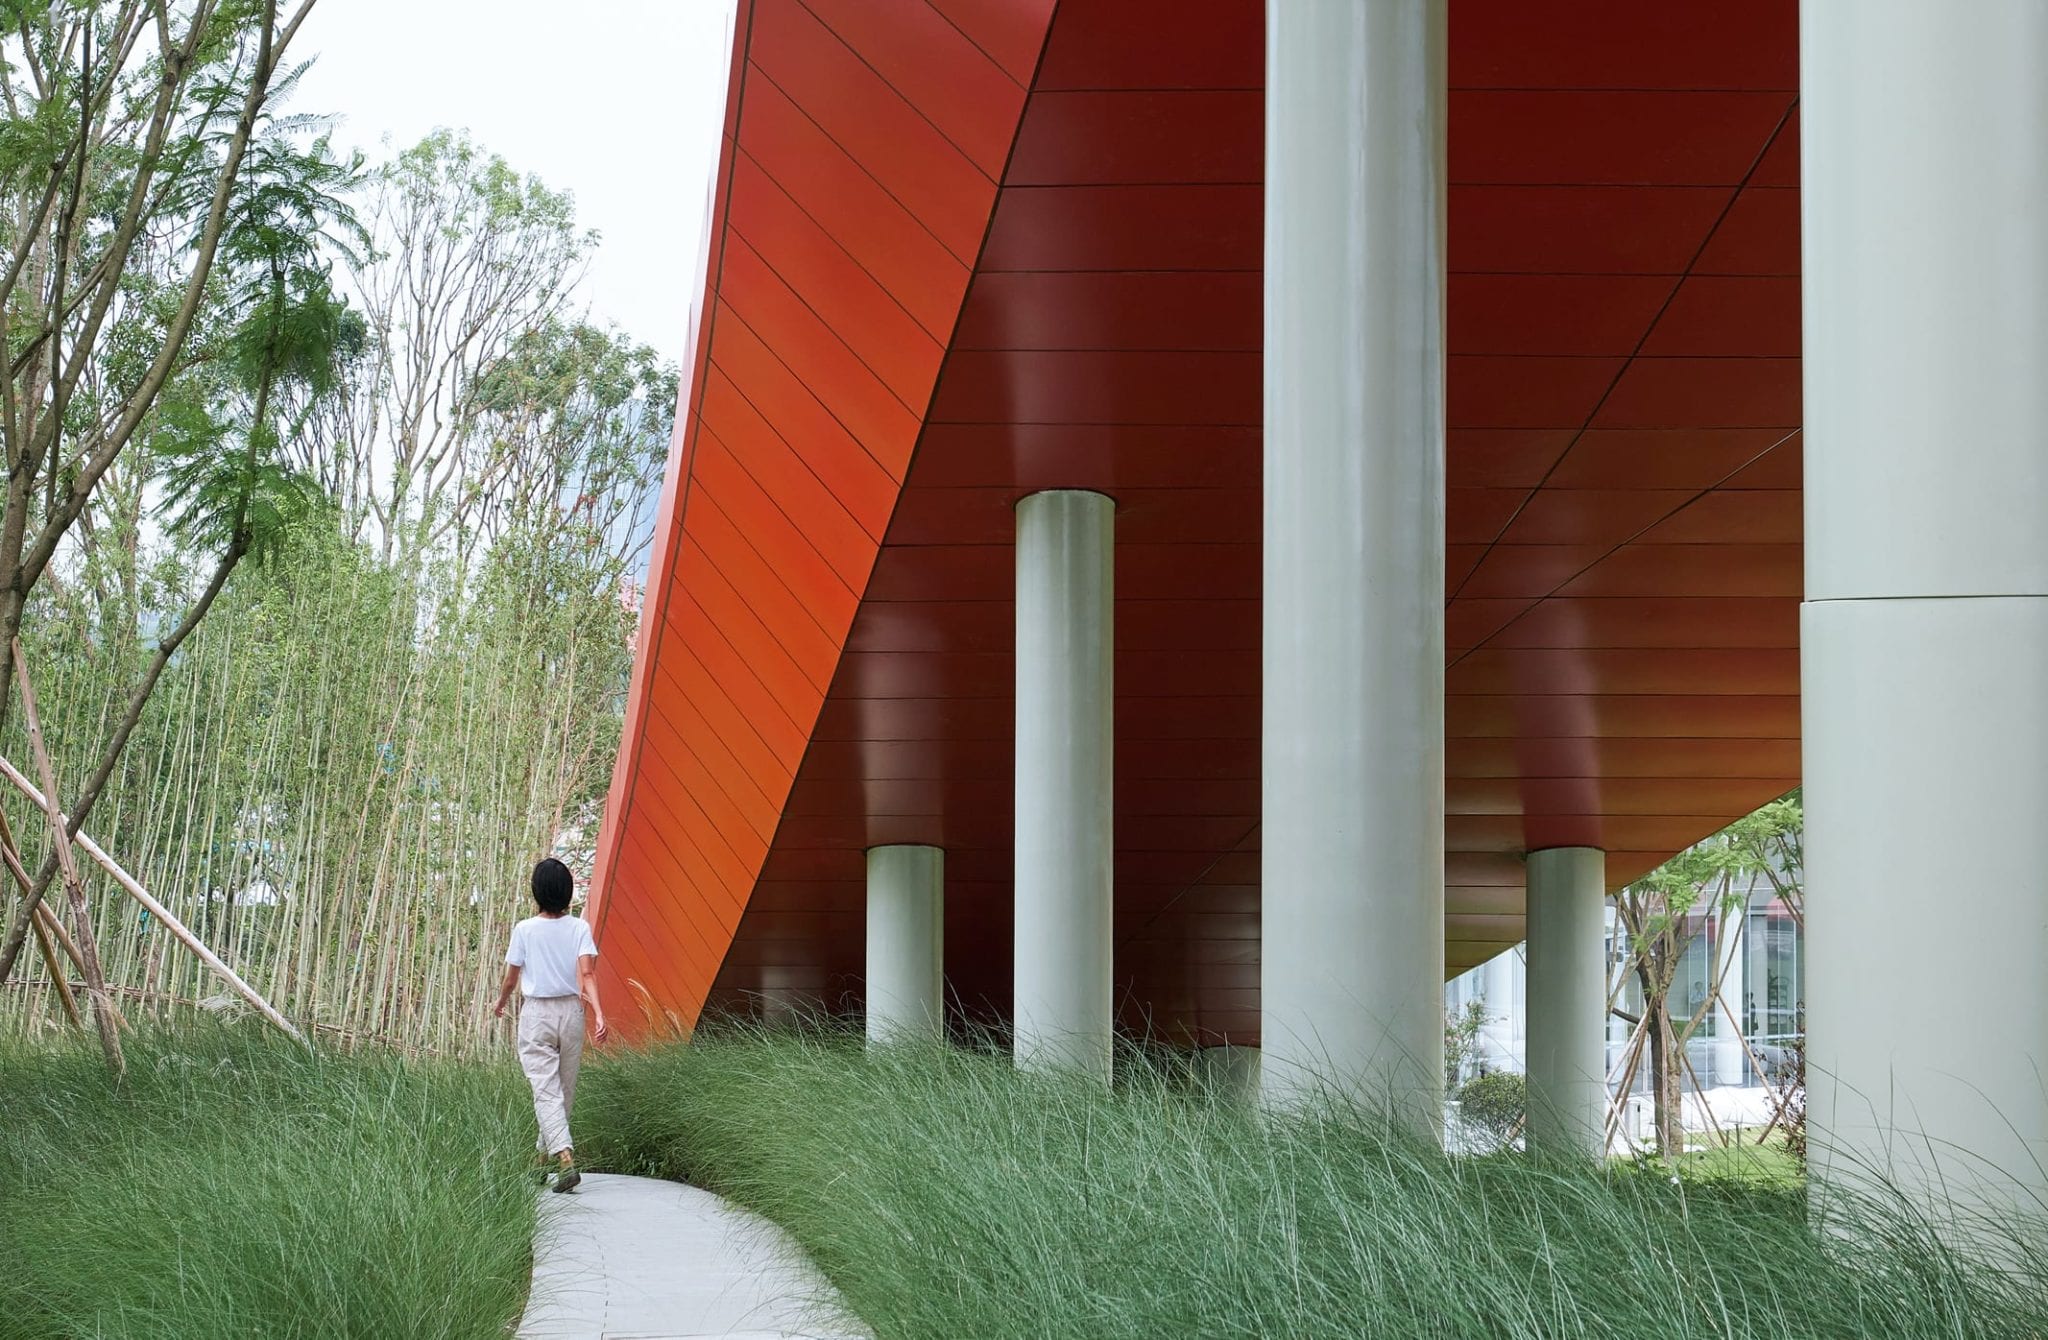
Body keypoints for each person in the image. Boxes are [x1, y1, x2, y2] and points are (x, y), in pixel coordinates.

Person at [494, 857, 607, 1192]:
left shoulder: (524, 930)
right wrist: (599, 1013)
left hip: (538, 1015)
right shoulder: (579, 928)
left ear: (537, 892)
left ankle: (566, 1158)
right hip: (572, 1013)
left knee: (546, 1091)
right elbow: (587, 974)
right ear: (567, 891)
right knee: (562, 1092)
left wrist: (499, 1004)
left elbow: (511, 979)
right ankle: (540, 1160)